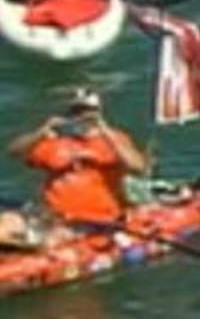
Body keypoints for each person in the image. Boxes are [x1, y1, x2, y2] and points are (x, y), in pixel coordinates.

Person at [5, 87, 148, 227]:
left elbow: (138, 167)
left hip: (104, 218)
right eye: (77, 111)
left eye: (88, 111)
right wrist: (42, 131)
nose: (82, 116)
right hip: (60, 220)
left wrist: (103, 130)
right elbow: (14, 152)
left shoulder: (115, 140)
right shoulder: (54, 142)